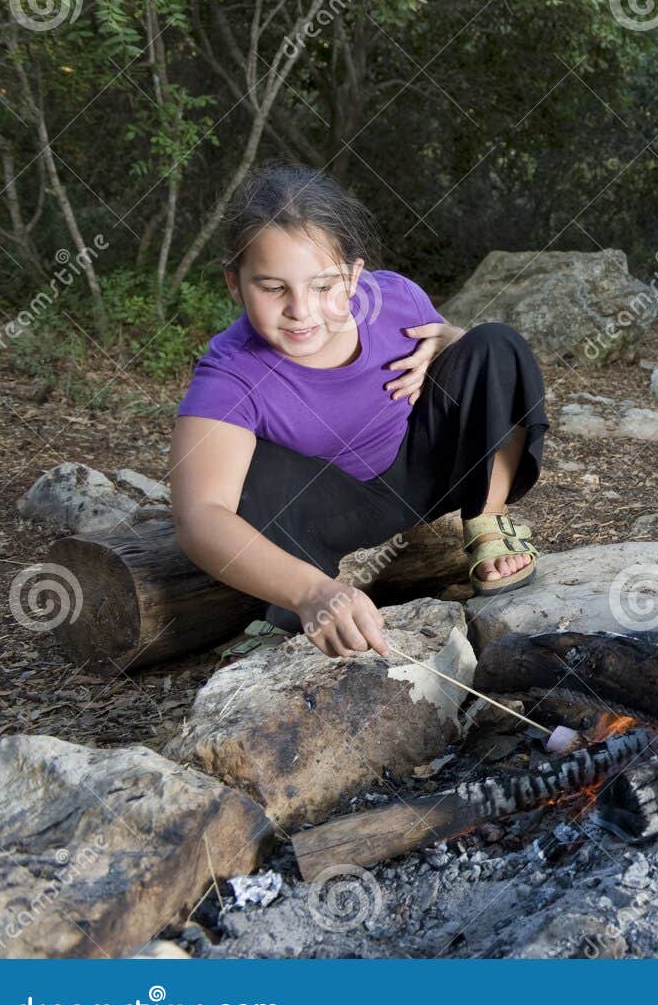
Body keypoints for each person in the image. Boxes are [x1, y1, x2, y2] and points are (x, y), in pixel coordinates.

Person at [170, 164, 551, 660]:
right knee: (248, 468)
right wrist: (310, 593)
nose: (301, 310)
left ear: (354, 277)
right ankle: (300, 598)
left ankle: (489, 522)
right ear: (235, 285)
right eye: (273, 288)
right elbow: (199, 516)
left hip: (425, 478)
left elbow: (480, 376)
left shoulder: (394, 300)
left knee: (496, 342)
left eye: (323, 286)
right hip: (320, 521)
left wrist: (452, 340)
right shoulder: (229, 373)